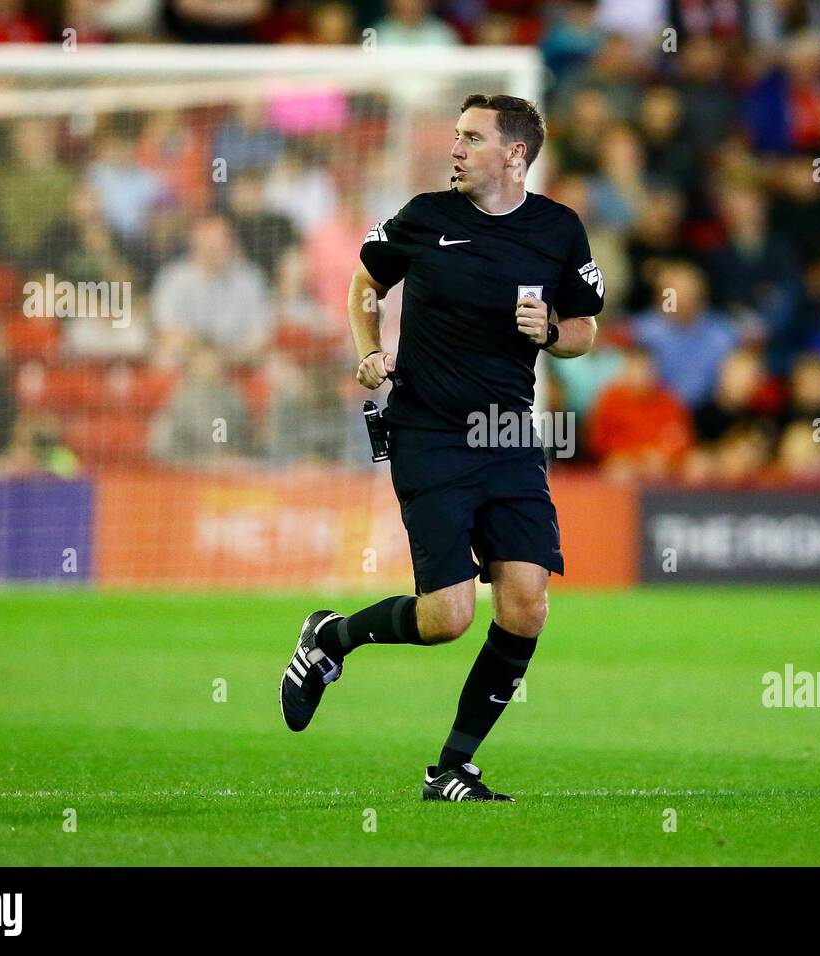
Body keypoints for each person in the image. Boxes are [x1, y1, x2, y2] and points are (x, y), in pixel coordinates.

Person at [279, 94, 604, 802]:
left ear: (515, 155)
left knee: (526, 606)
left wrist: (549, 329)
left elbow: (584, 331)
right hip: (428, 431)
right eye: (456, 136)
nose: (456, 148)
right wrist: (369, 350)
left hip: (510, 434)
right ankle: (331, 638)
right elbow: (365, 283)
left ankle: (452, 768)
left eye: (473, 138)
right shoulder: (424, 218)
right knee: (448, 618)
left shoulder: (558, 230)